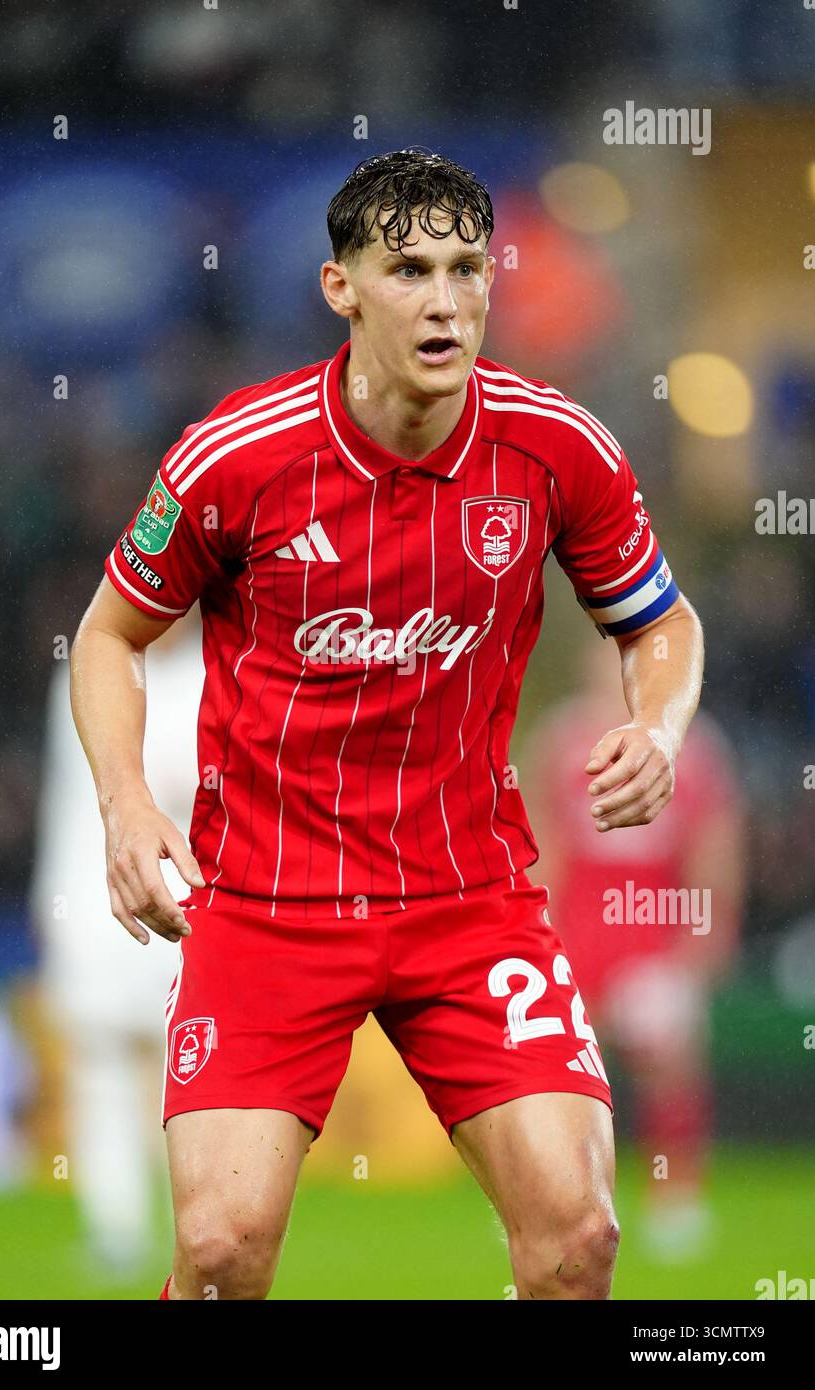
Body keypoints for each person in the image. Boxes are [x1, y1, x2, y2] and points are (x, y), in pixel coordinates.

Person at [69, 148, 704, 1300]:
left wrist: (656, 725)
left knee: (580, 1240)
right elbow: (109, 635)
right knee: (218, 1255)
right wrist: (123, 803)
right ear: (340, 287)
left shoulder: (557, 446)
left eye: (469, 269)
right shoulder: (241, 455)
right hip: (266, 902)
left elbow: (661, 623)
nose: (447, 300)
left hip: (472, 900)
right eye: (409, 269)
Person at [520, 636, 744, 1260]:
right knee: (555, 1078)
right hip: (576, 933)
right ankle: (557, 1204)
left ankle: (676, 1198)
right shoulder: (561, 740)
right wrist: (539, 942)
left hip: (654, 937)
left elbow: (715, 860)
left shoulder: (695, 750)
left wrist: (700, 950)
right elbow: (543, 851)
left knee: (667, 1050)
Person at [32, 613, 203, 1275]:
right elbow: (65, 804)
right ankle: (117, 1228)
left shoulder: (214, 680)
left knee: (185, 1077)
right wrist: (47, 902)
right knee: (99, 1069)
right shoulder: (82, 682)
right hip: (90, 903)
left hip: (184, 907)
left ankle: (193, 1223)